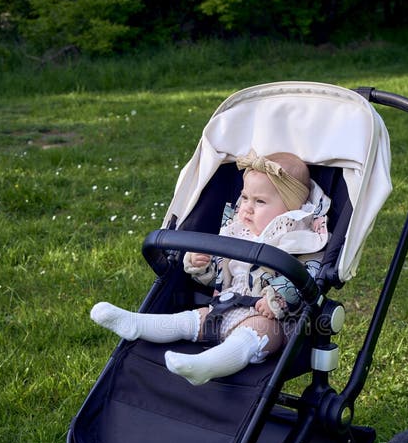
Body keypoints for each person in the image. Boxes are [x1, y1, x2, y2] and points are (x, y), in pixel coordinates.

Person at [91, 150, 330, 385]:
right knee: (189, 321)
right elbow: (222, 278)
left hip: (272, 320)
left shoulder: (301, 239)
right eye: (245, 197)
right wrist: (203, 266)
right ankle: (136, 324)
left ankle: (207, 365)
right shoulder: (239, 231)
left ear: (291, 208)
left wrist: (277, 299)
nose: (246, 207)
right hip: (224, 306)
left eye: (259, 201)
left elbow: (309, 276)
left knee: (253, 332)